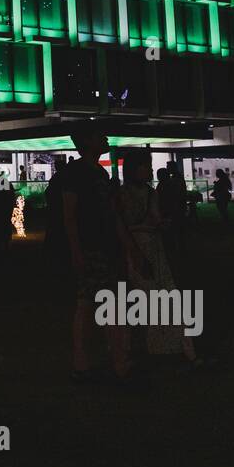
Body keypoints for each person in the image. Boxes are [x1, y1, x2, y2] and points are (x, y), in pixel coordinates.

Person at [63, 124, 143, 383]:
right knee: (103, 304)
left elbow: (110, 213)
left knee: (87, 305)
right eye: (100, 136)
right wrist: (77, 250)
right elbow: (70, 215)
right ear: (88, 141)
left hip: (100, 246)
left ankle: (84, 363)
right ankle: (119, 361)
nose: (106, 138)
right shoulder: (77, 173)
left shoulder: (98, 172)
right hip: (92, 247)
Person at [119, 153, 198, 364]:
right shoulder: (138, 193)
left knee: (152, 296)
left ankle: (160, 344)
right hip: (145, 245)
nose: (151, 170)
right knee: (157, 295)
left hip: (147, 244)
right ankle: (169, 345)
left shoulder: (140, 192)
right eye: (147, 166)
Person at [156, 165, 188, 280]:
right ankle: (178, 250)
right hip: (175, 211)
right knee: (177, 231)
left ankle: (173, 251)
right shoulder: (174, 182)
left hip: (168, 212)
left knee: (170, 234)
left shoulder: (163, 185)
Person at [43, 158, 68, 256]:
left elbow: (49, 192)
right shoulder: (64, 178)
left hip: (56, 207)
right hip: (60, 207)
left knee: (54, 226)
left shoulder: (56, 178)